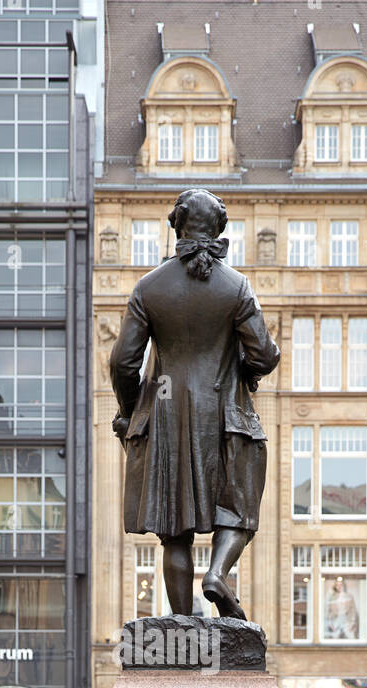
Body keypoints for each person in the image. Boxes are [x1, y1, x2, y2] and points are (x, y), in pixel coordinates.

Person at [110, 186, 280, 621]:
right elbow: (265, 354)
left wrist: (131, 412)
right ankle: (218, 573)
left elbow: (124, 362)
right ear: (220, 228)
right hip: (226, 413)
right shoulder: (237, 286)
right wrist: (245, 369)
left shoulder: (148, 287)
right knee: (239, 507)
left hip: (167, 415)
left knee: (174, 531)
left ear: (176, 225)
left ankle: (182, 624)